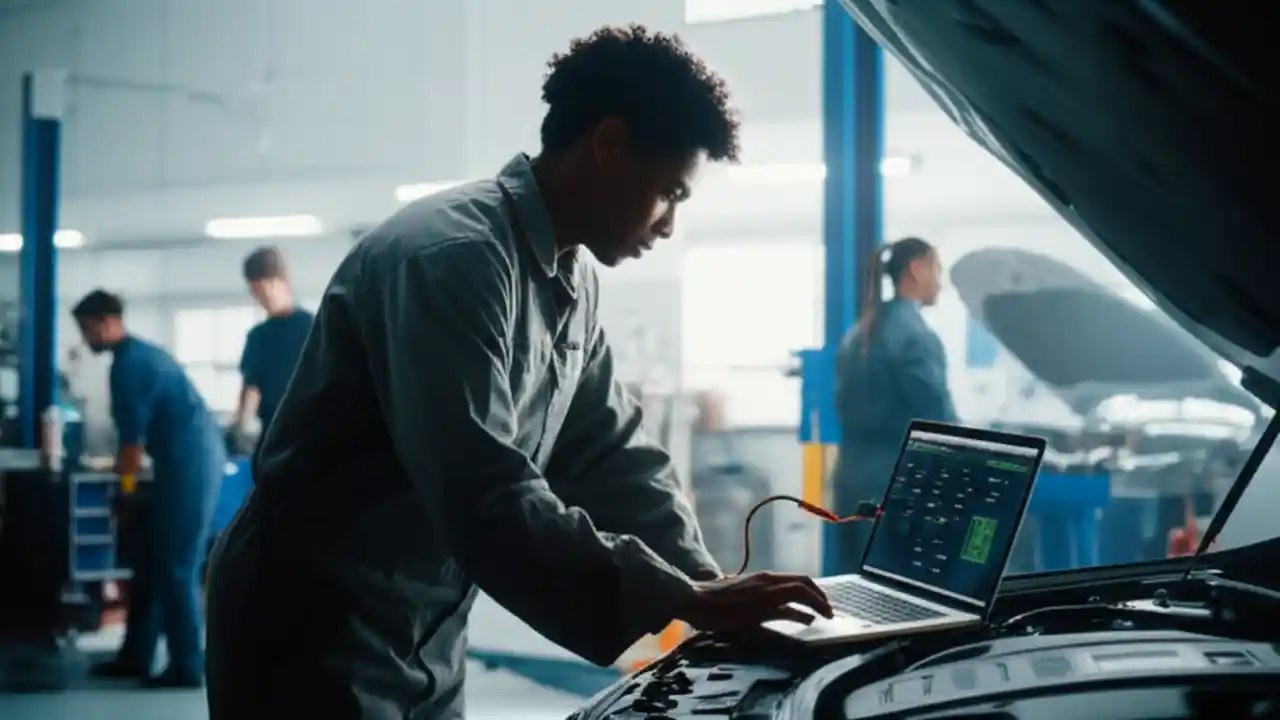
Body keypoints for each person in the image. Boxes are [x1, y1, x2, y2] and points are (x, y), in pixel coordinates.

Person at [206, 25, 831, 719]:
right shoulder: (453, 259)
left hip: (420, 622)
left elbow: (609, 451)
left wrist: (704, 580)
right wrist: (679, 597)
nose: (668, 225)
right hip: (317, 617)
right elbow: (482, 487)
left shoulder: (569, 277)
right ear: (609, 144)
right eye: (670, 193)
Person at [72, 289, 223, 688]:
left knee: (176, 566)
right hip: (178, 462)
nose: (86, 339)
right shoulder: (137, 355)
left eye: (87, 329)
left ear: (107, 322)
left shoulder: (130, 365)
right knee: (149, 563)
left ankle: (187, 665)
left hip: (189, 465)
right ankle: (135, 656)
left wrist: (124, 490)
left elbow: (130, 443)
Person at [833, 237, 957, 573]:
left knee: (856, 590)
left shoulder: (858, 333)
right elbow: (939, 419)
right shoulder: (915, 336)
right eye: (937, 270)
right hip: (896, 490)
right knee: (898, 590)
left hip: (850, 485)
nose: (941, 283)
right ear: (916, 269)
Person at [230, 247, 314, 451]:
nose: (263, 299)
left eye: (266, 290)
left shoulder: (314, 329)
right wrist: (238, 429)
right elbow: (250, 387)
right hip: (273, 434)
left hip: (311, 431)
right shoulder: (258, 336)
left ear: (282, 282)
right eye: (256, 293)